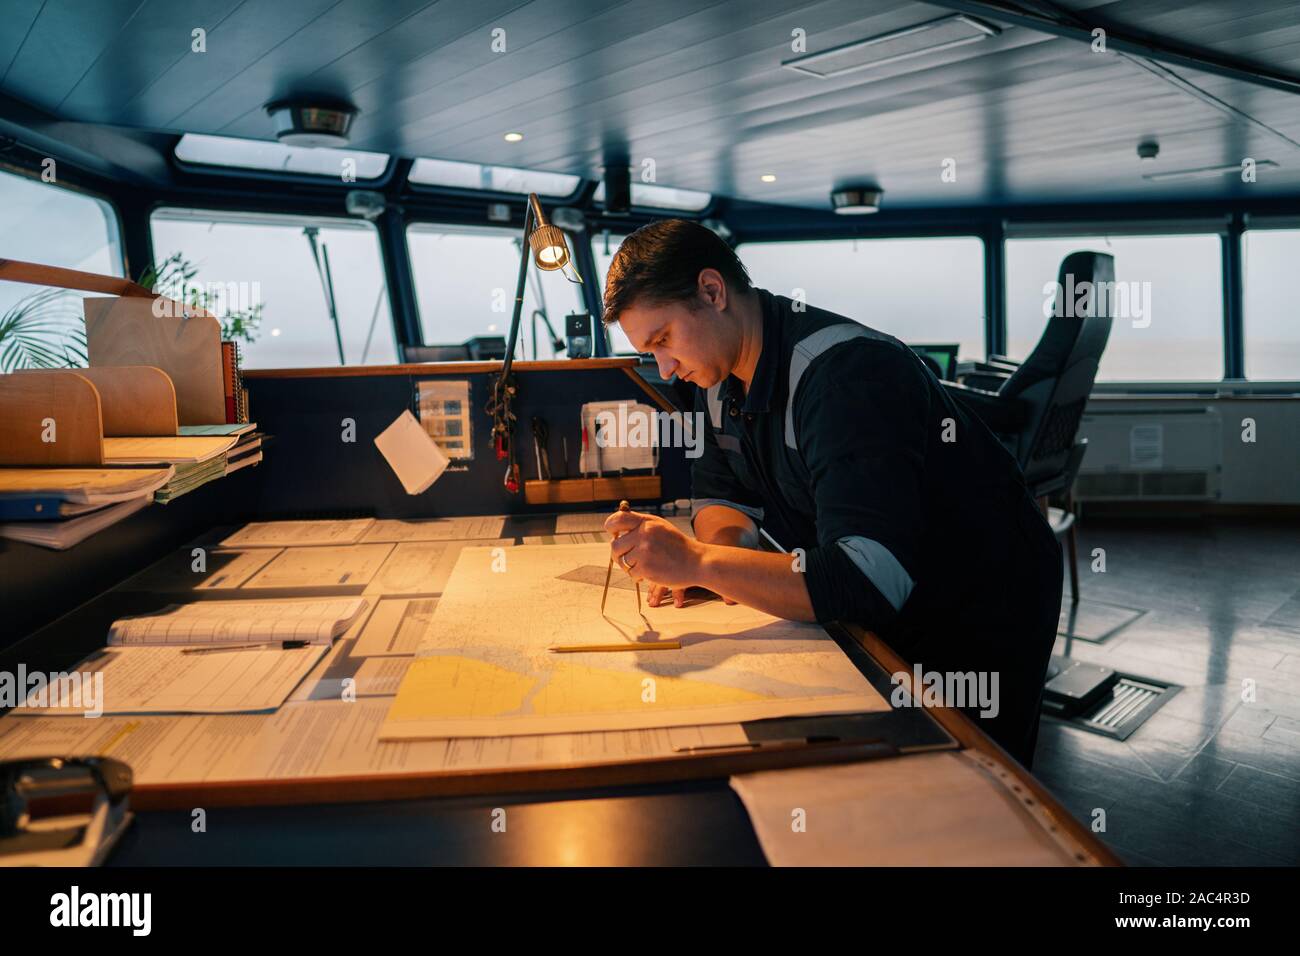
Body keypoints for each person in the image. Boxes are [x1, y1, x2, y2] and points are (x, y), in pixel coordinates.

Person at [599, 219, 1063, 768]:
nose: (665, 367)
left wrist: (701, 561)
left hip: (978, 596)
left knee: (976, 787)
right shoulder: (717, 374)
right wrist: (719, 560)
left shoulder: (845, 377)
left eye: (664, 339)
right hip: (887, 593)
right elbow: (725, 495)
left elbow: (867, 577)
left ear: (712, 291)